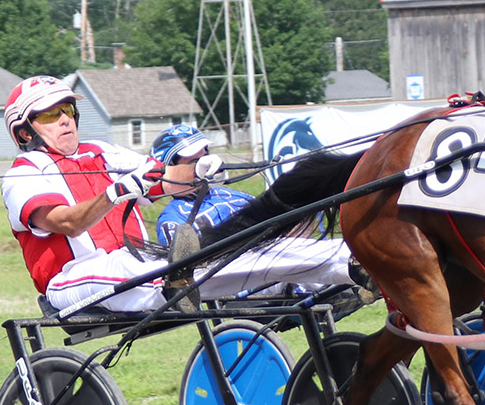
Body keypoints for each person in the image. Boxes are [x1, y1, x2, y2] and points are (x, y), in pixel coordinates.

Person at [0, 76, 358, 313]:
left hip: (144, 264)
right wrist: (115, 192)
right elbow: (67, 223)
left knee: (237, 251)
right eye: (50, 113)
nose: (65, 119)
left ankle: (350, 261)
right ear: (23, 131)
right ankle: (176, 277)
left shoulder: (102, 152)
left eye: (68, 110)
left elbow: (166, 180)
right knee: (128, 265)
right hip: (72, 279)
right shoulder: (23, 175)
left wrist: (200, 169)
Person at [150, 124, 365, 300]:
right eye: (194, 161)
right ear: (168, 168)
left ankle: (360, 268)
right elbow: (190, 272)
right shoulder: (173, 218)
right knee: (303, 258)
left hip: (276, 259)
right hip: (242, 281)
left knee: (329, 246)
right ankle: (357, 274)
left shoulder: (232, 195)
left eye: (206, 154)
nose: (206, 163)